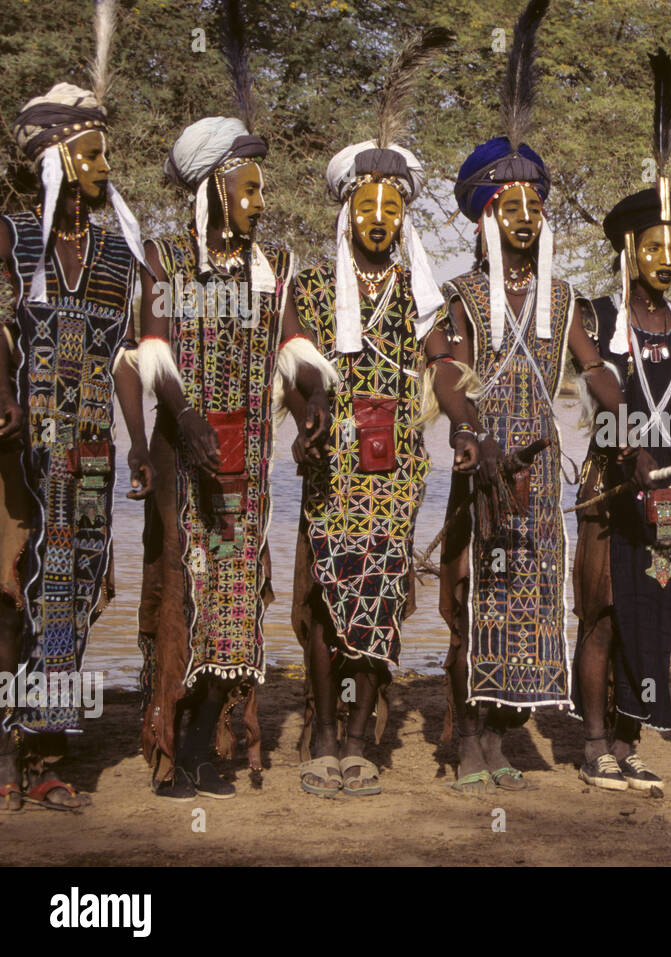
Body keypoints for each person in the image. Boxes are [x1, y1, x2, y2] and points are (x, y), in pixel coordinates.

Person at [435, 0, 653, 793]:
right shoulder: (462, 293)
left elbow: (594, 369)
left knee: (530, 604)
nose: (526, 216)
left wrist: (623, 416)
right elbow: (449, 372)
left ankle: (502, 730)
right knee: (473, 596)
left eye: (535, 204)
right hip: (484, 463)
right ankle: (466, 740)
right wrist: (471, 432)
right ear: (487, 214)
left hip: (541, 464)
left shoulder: (563, 299)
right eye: (511, 204)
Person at [134, 7, 336, 800]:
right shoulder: (168, 257)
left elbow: (294, 346)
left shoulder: (271, 265)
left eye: (262, 189)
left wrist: (313, 394)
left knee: (235, 605)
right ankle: (173, 747)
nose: (259, 201)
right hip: (187, 459)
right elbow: (153, 348)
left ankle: (213, 744)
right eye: (248, 189)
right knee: (184, 592)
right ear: (216, 187)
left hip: (246, 464)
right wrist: (180, 415)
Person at [288, 28, 479, 798]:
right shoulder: (307, 290)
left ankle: (364, 731)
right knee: (330, 598)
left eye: (391, 205)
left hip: (397, 471)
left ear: (403, 216)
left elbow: (447, 366)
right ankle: (324, 730)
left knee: (381, 598)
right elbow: (299, 368)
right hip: (331, 468)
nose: (378, 216)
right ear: (347, 212)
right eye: (366, 204)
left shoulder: (417, 296)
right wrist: (308, 417)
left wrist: (464, 422)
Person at [0, 0, 153, 811]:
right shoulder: (13, 237)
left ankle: (48, 752)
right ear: (59, 158)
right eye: (93, 154)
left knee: (75, 588)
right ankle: (10, 751)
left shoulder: (115, 253)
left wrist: (137, 444)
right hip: (22, 457)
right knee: (17, 589)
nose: (106, 166)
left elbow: (127, 355)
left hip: (90, 453)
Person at [571, 49, 671, 792]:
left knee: (654, 607)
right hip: (609, 496)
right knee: (602, 610)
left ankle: (629, 737)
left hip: (666, 505)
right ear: (630, 250)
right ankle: (593, 743)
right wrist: (627, 449)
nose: (666, 257)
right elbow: (597, 392)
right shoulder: (594, 317)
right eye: (654, 246)